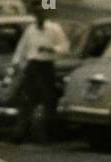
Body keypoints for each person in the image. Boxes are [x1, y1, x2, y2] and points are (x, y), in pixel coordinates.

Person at [11, 1, 70, 143]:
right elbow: (22, 48)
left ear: (46, 12)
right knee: (26, 99)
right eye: (36, 12)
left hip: (46, 66)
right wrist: (16, 63)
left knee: (48, 100)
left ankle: (45, 134)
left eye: (41, 12)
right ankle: (20, 133)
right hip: (33, 66)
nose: (39, 15)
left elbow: (65, 47)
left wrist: (52, 49)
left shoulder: (54, 29)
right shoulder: (30, 30)